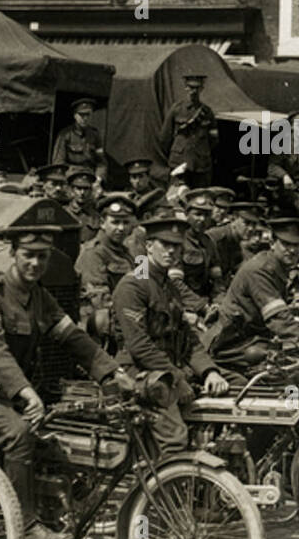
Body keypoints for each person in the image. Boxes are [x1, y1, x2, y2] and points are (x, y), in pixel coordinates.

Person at [0, 225, 118, 539]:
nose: (35, 263)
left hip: (10, 392)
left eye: (42, 257)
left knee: (58, 442)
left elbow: (73, 339)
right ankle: (24, 526)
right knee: (18, 433)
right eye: (28, 255)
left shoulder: (40, 298)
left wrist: (111, 373)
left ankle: (61, 516)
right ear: (13, 253)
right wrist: (26, 392)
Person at [110, 217, 234, 452]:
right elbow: (139, 346)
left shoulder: (171, 287)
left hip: (169, 368)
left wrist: (209, 371)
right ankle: (172, 478)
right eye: (164, 244)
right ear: (148, 246)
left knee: (238, 387)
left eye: (176, 246)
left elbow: (189, 339)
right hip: (139, 373)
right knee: (176, 439)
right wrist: (177, 378)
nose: (171, 251)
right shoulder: (134, 286)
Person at [207, 217, 299, 366]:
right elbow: (278, 318)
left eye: (297, 245)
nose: (292, 250)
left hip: (250, 337)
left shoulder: (276, 266)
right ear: (273, 243)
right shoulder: (260, 271)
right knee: (284, 371)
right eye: (286, 244)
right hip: (228, 345)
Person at [75, 192, 140, 326]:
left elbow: (143, 283)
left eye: (126, 222)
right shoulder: (93, 253)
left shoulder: (129, 251)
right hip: (103, 325)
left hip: (128, 317)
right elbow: (100, 300)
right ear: (102, 223)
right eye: (115, 222)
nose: (121, 228)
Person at [159, 74, 217, 188]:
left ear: (201, 89)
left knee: (199, 198)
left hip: (200, 165)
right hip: (179, 162)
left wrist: (202, 153)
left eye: (196, 88)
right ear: (186, 88)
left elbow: (214, 140)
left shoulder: (207, 112)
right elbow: (164, 138)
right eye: (190, 87)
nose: (193, 91)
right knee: (176, 196)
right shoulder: (177, 110)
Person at [180, 191, 225, 304]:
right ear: (186, 214)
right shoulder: (178, 241)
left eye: (207, 215)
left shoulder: (209, 242)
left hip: (206, 301)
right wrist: (201, 306)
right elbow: (175, 283)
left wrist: (219, 302)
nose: (202, 219)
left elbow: (217, 280)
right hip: (184, 302)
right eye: (198, 214)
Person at [51, 98, 106, 181]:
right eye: (81, 115)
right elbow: (58, 163)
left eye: (88, 115)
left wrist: (98, 179)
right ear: (75, 115)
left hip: (89, 176)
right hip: (71, 176)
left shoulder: (95, 135)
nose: (85, 118)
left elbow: (101, 162)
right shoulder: (65, 135)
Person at [209, 200, 263, 281]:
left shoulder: (237, 242)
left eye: (254, 224)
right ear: (234, 218)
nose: (251, 229)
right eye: (247, 223)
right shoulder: (215, 237)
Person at [64, 166, 101, 244]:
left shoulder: (96, 216)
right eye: (78, 188)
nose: (82, 193)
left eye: (86, 189)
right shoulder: (63, 213)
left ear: (91, 190)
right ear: (72, 189)